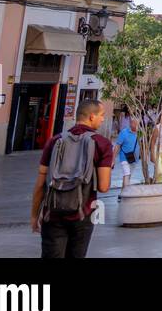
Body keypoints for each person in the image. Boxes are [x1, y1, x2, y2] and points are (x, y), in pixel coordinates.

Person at [31, 98, 113, 258]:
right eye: (101, 115)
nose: (103, 119)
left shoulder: (55, 140)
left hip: (52, 212)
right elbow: (104, 187)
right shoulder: (102, 144)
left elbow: (40, 184)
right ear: (91, 117)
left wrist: (35, 215)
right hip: (83, 214)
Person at [114, 113, 139, 189]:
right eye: (135, 123)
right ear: (131, 123)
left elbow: (142, 145)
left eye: (138, 123)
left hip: (135, 158)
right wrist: (113, 159)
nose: (136, 125)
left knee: (128, 176)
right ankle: (126, 194)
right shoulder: (124, 132)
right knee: (127, 174)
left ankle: (122, 194)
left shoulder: (140, 133)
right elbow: (117, 146)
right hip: (124, 157)